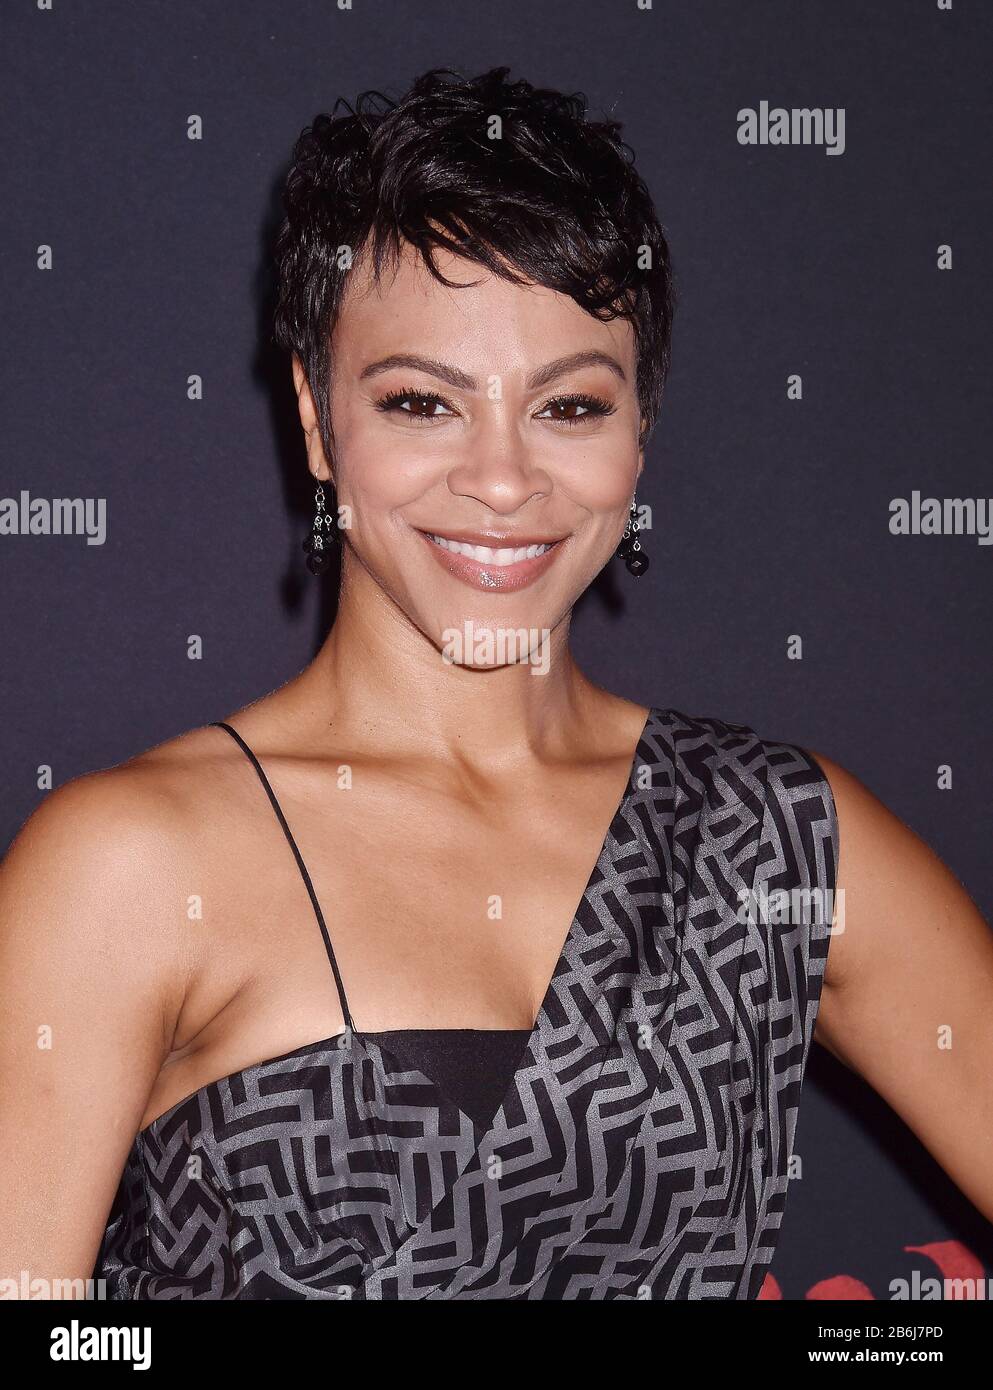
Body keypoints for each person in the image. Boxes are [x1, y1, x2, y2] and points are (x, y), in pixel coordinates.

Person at [1, 66, 990, 1301]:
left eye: (570, 405)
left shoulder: (778, 841)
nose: (504, 479)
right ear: (316, 419)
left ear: (640, 432)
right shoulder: (126, 863)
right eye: (423, 401)